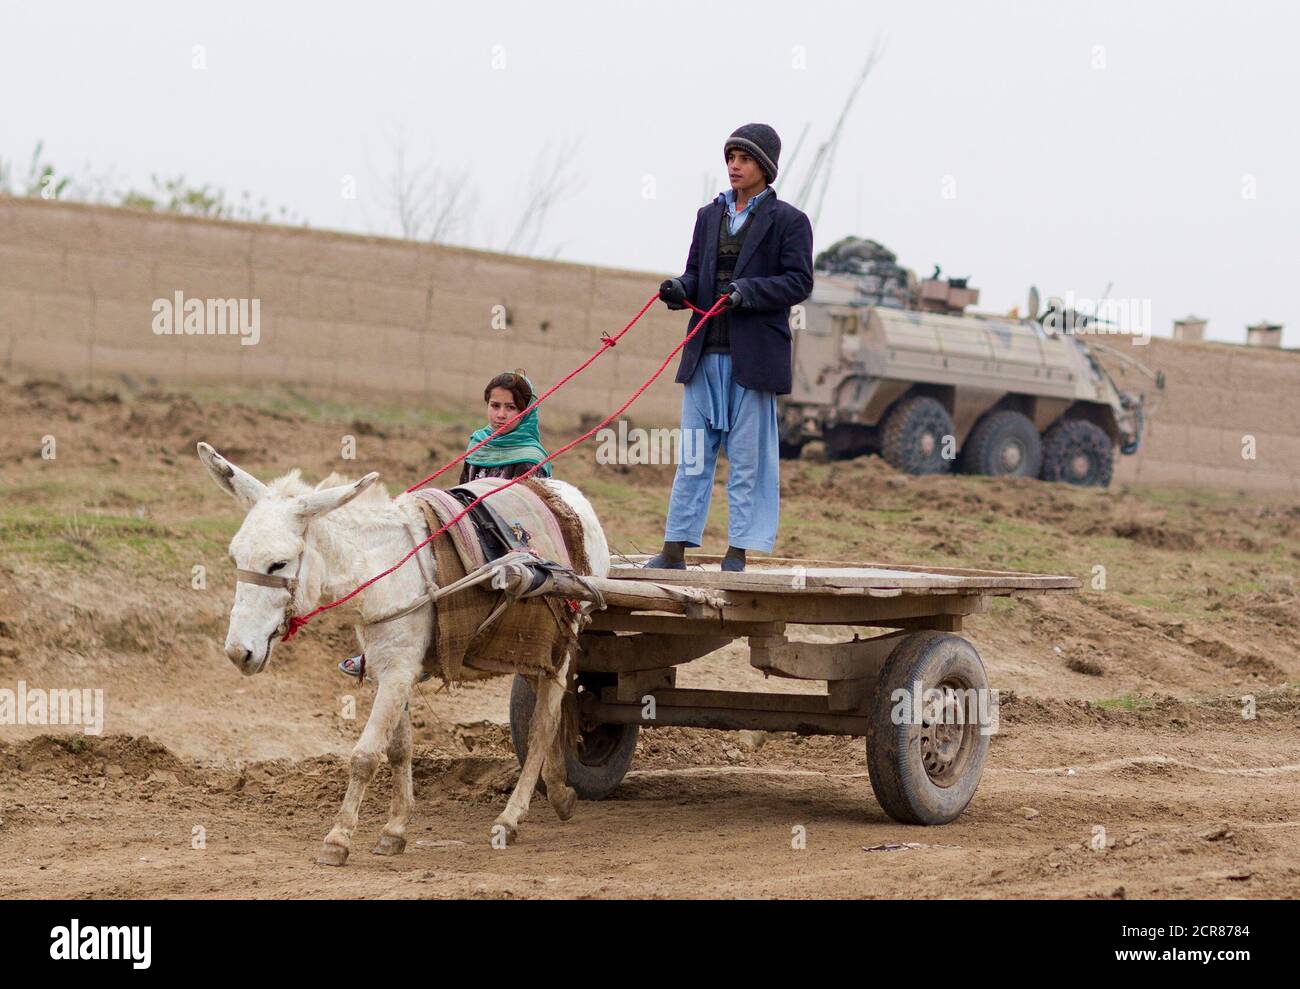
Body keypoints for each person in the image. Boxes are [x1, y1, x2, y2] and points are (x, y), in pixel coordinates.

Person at [644, 123, 813, 573]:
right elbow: (696, 273)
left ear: (766, 167)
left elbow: (799, 282)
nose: (734, 166)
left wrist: (748, 292)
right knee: (693, 456)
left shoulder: (790, 222)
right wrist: (679, 289)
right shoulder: (708, 215)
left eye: (744, 158)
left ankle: (737, 552)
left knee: (747, 461)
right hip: (704, 356)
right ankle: (674, 548)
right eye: (730, 158)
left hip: (753, 360)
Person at [338, 369, 551, 678]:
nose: (501, 415)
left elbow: (527, 516)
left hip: (509, 543)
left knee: (450, 580)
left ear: (526, 411)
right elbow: (464, 493)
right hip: (470, 529)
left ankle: (426, 654)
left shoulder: (531, 459)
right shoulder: (478, 445)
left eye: (511, 408)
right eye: (494, 405)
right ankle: (383, 650)